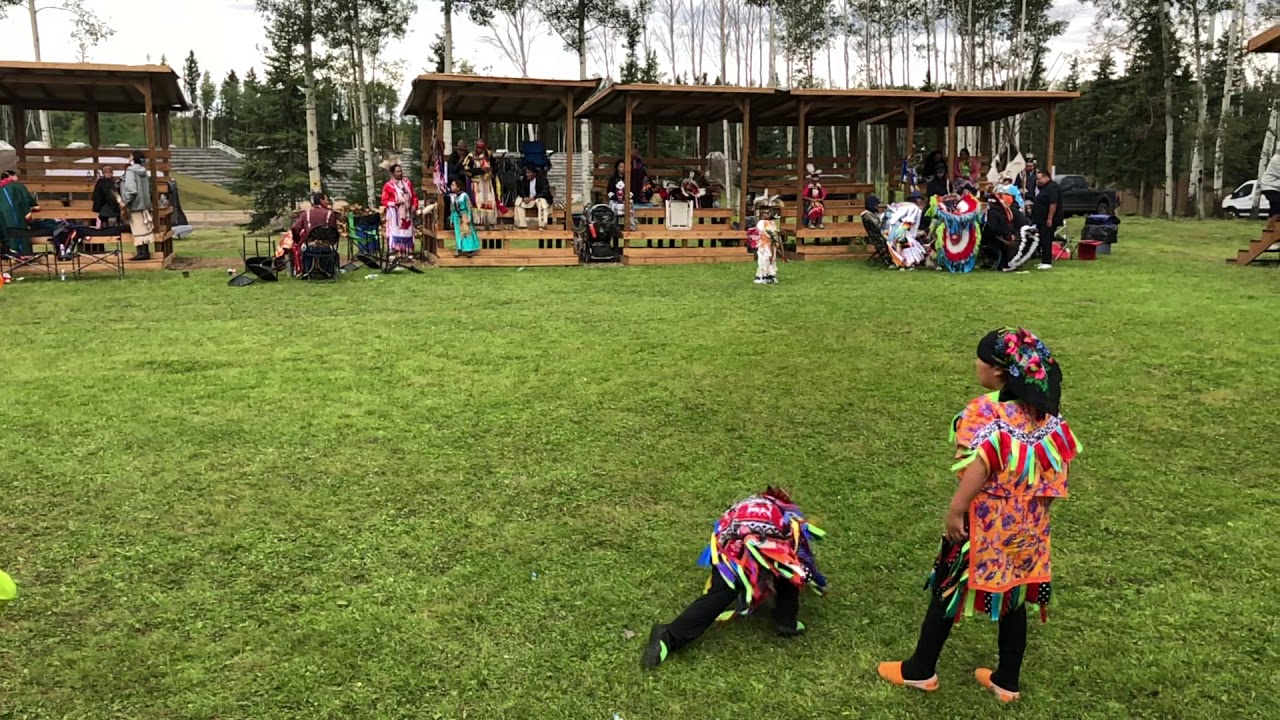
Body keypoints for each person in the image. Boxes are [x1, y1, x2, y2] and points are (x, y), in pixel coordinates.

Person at [878, 327, 1080, 703]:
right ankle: (1007, 681)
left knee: (947, 587)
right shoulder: (1050, 419)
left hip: (983, 523)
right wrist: (1032, 516)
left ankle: (920, 670)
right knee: (1015, 597)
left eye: (982, 361)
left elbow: (981, 465)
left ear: (1000, 372)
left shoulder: (987, 413)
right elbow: (1055, 476)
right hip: (1028, 527)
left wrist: (956, 509)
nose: (977, 365)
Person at [641, 486, 826, 669]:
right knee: (788, 571)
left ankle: (669, 637)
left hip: (730, 546)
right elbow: (797, 564)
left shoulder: (753, 508)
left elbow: (724, 527)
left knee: (723, 591)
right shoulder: (792, 524)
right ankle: (786, 620)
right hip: (738, 550)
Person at [120, 151, 154, 261]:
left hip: (135, 204)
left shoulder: (131, 171)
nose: (129, 157)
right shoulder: (143, 172)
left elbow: (131, 189)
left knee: (138, 228)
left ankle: (142, 253)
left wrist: (125, 201)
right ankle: (144, 251)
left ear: (133, 158)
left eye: (130, 155)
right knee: (143, 227)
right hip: (144, 204)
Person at [380, 164, 419, 259]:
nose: (400, 173)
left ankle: (407, 250)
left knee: (407, 231)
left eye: (400, 171)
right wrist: (394, 203)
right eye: (397, 171)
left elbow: (414, 196)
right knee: (396, 231)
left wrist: (414, 205)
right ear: (393, 173)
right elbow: (384, 201)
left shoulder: (407, 183)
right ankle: (395, 250)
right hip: (394, 214)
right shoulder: (388, 185)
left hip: (407, 212)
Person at [0, 170, 40, 255]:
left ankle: (10, 252)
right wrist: (33, 206)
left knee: (6, 232)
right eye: (16, 176)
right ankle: (22, 253)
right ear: (11, 176)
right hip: (15, 212)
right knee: (19, 232)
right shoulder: (16, 185)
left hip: (2, 215)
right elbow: (25, 197)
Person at [1031, 168, 1062, 270]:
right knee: (1043, 239)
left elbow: (1053, 203)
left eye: (1040, 178)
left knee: (1047, 239)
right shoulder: (1044, 187)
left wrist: (1050, 218)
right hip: (1041, 219)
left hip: (1048, 219)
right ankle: (1043, 260)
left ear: (1046, 177)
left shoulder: (1052, 187)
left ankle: (1047, 261)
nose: (1038, 181)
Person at [464, 140, 498, 227]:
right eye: (478, 148)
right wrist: (480, 170)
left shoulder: (489, 155)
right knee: (478, 201)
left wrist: (491, 171)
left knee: (489, 200)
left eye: (482, 148)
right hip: (477, 183)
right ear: (475, 147)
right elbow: (466, 170)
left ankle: (489, 221)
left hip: (487, 182)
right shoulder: (470, 157)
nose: (480, 150)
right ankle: (477, 221)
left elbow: (495, 166)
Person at [752, 195, 783, 285]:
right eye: (765, 213)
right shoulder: (761, 223)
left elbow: (774, 231)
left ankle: (771, 275)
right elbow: (765, 232)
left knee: (772, 259)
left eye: (769, 213)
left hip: (771, 244)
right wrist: (772, 235)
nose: (767, 214)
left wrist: (776, 237)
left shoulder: (772, 222)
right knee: (764, 259)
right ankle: (762, 276)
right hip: (764, 244)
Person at [449, 178, 480, 257]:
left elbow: (469, 206)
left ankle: (469, 249)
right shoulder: (453, 197)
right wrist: (451, 219)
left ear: (458, 187)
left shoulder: (464, 195)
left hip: (464, 215)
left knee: (466, 232)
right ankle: (459, 248)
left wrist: (469, 217)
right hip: (456, 217)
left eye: (453, 185)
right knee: (458, 233)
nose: (451, 187)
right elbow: (452, 209)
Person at [1260, 151, 1280, 220]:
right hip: (1269, 186)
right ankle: (1270, 228)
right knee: (1276, 208)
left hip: (1276, 187)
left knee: (1275, 209)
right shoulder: (1277, 160)